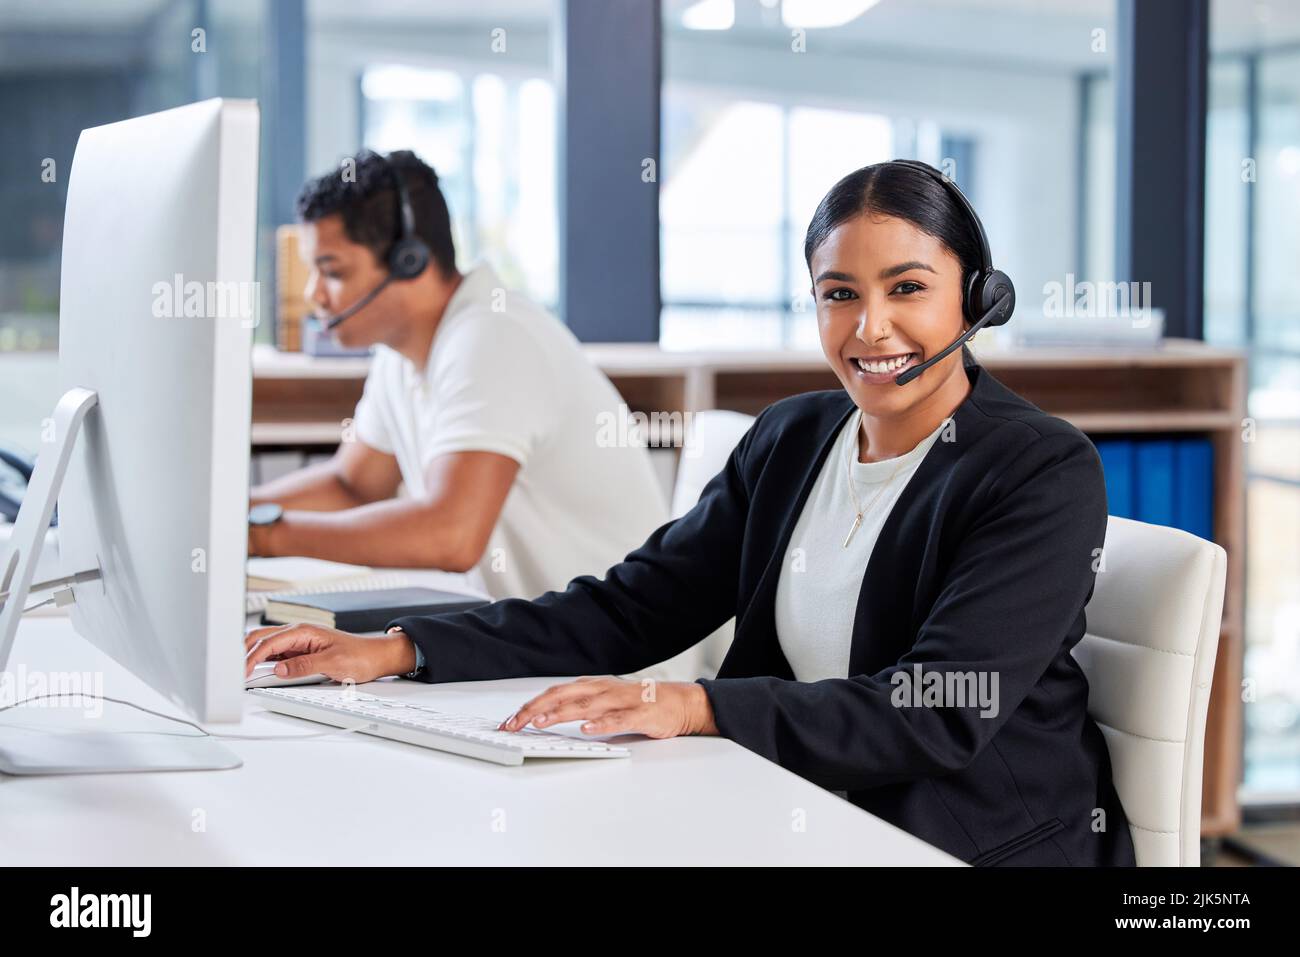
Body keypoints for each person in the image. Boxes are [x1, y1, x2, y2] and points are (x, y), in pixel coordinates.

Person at [245, 159, 1137, 867]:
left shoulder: (1037, 469)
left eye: (907, 288)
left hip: (960, 840)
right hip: (789, 804)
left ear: (975, 297)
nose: (870, 328)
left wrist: (697, 705)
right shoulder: (792, 438)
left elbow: (936, 710)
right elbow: (631, 606)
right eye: (840, 294)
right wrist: (401, 648)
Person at [248, 149, 668, 603]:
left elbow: (450, 536)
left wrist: (263, 537)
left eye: (332, 271)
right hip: (537, 631)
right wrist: (237, 512)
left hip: (622, 641)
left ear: (410, 261)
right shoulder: (402, 354)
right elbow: (353, 486)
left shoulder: (492, 337)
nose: (313, 294)